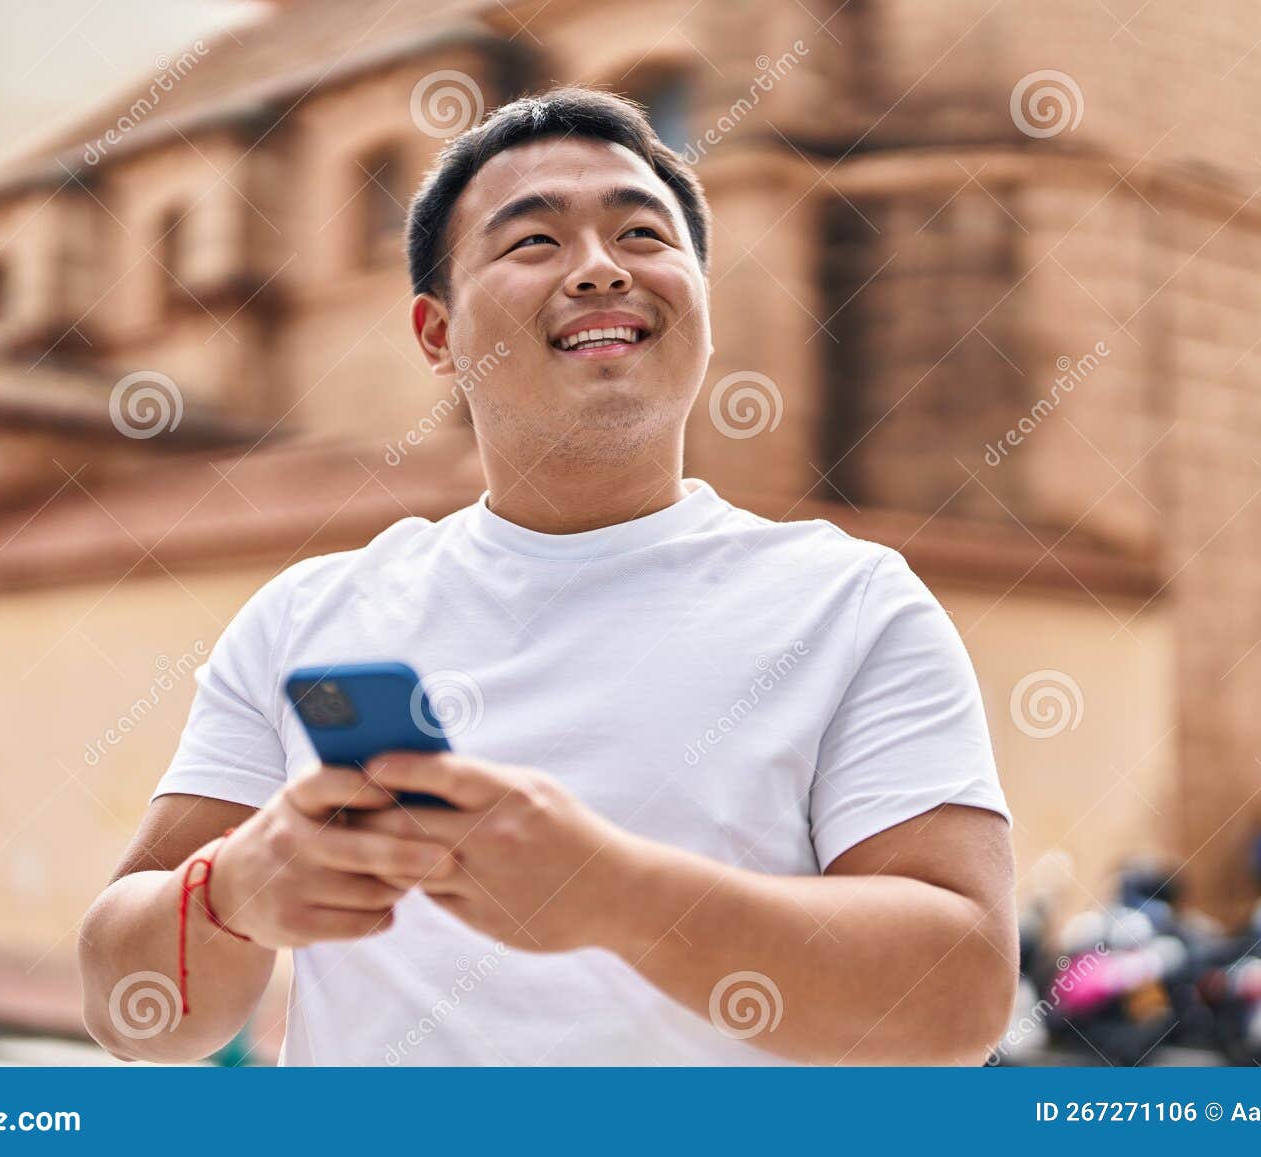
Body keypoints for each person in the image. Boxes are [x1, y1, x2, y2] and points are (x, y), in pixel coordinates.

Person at [79, 85, 1017, 1066]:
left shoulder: (854, 605)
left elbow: (959, 1001)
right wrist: (232, 890)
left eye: (645, 235)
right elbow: (133, 1011)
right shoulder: (308, 614)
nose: (602, 269)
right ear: (436, 335)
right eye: (533, 242)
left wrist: (620, 893)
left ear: (701, 304)